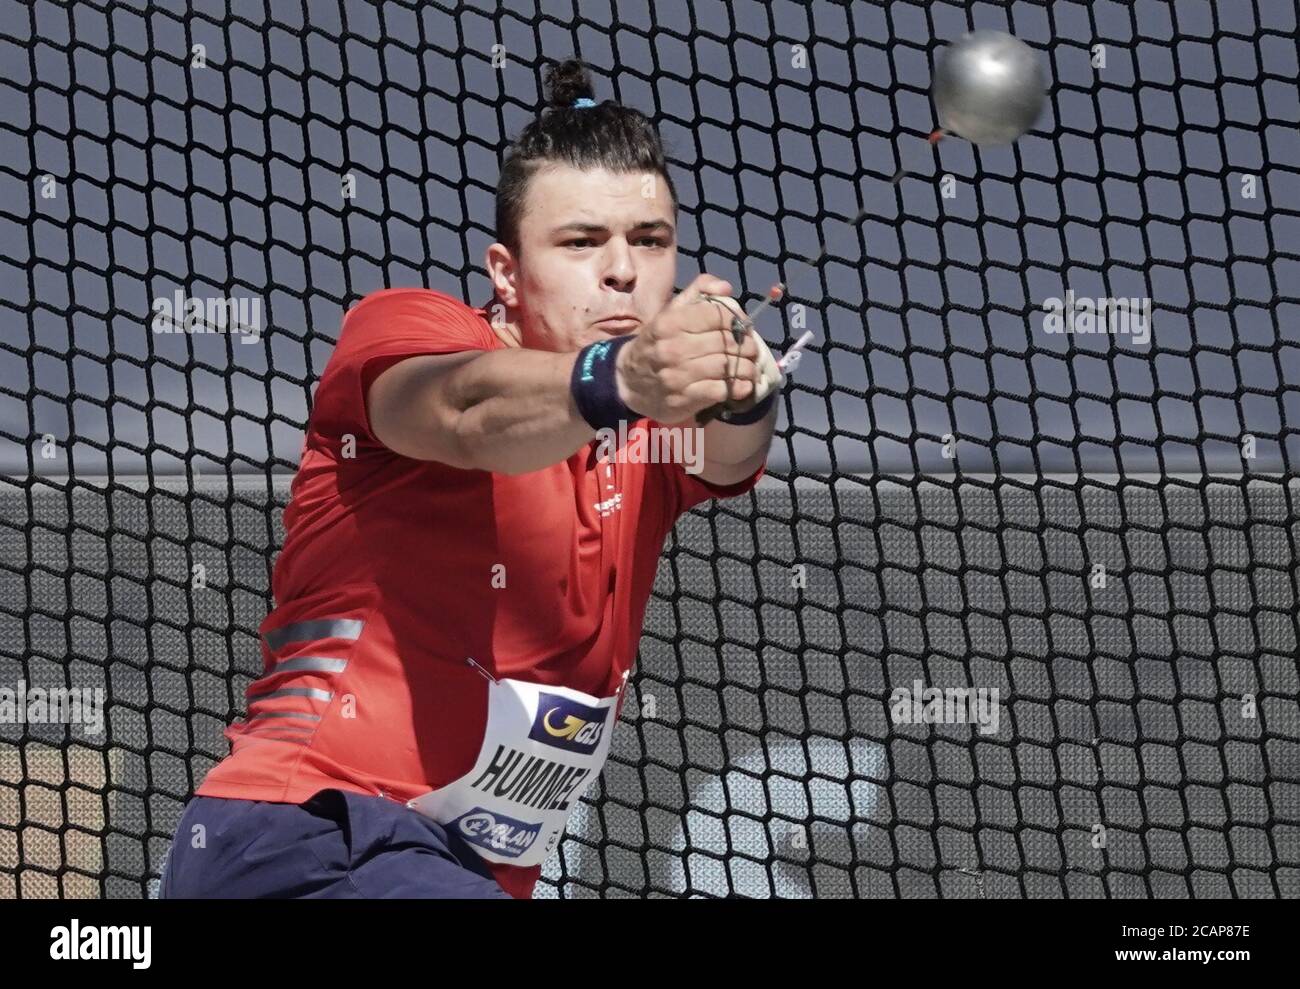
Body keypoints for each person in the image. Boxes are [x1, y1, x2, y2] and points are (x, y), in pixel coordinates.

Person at [160, 57, 780, 899]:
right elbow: (464, 412)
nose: (623, 270)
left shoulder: (647, 435)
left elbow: (731, 454)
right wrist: (625, 374)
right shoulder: (410, 329)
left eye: (649, 241)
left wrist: (741, 382)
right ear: (505, 272)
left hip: (449, 874)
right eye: (580, 242)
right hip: (310, 836)